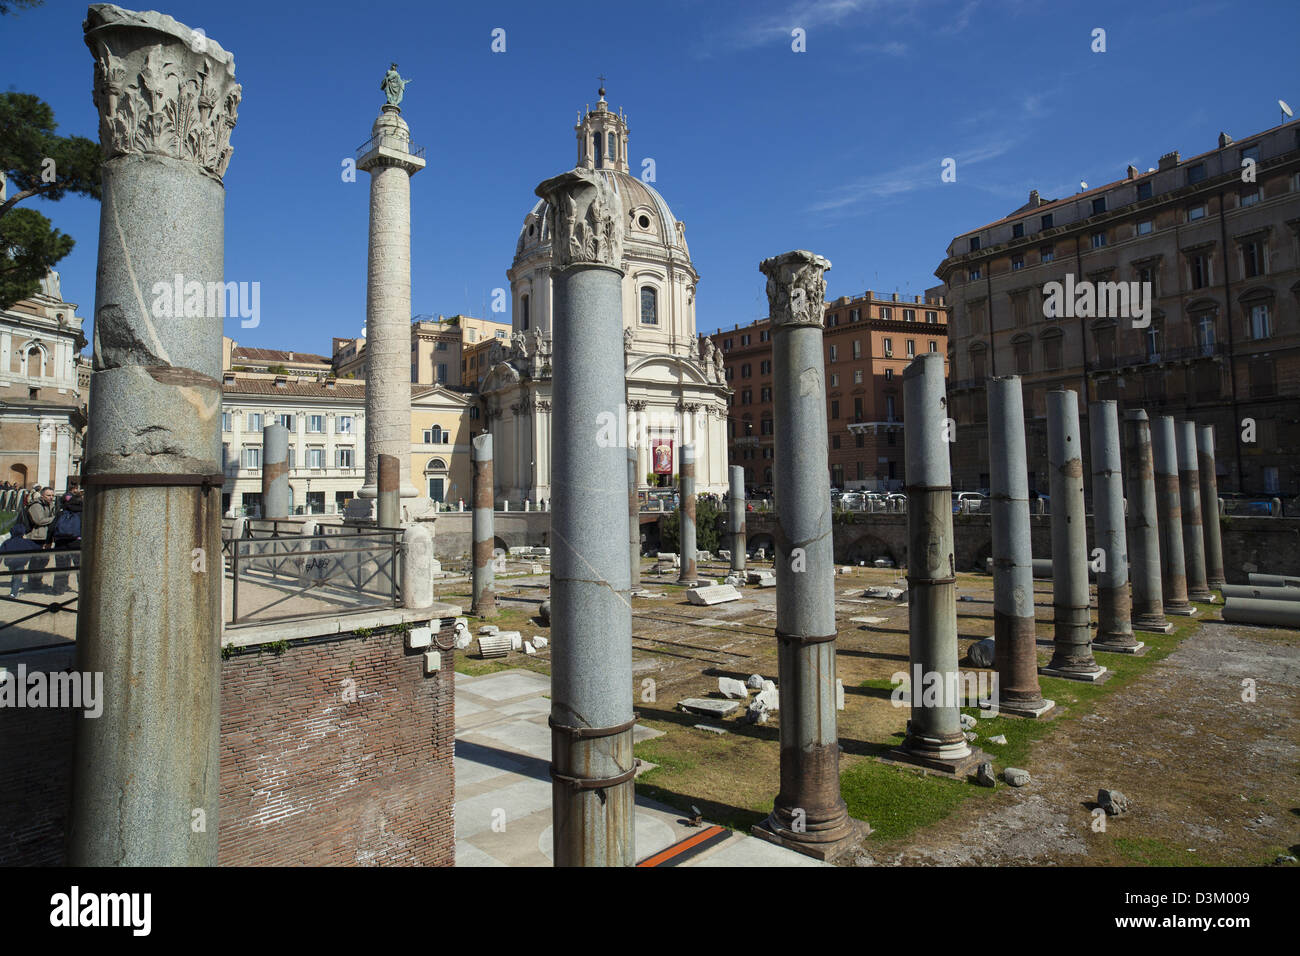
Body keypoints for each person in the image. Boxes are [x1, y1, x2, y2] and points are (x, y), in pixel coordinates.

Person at [23, 486, 57, 591]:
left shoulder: (49, 505)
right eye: (48, 495)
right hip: (36, 536)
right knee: (36, 561)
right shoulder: (36, 505)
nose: (51, 497)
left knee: (43, 560)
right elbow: (39, 520)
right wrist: (55, 519)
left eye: (52, 495)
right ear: (42, 495)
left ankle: (37, 582)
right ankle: (33, 584)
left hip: (45, 536)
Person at [51, 487, 83, 595]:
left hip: (61, 542)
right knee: (80, 567)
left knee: (61, 567)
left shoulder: (62, 511)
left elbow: (52, 527)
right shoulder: (82, 512)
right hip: (77, 542)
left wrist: (48, 541)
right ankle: (82, 589)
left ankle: (59, 589)